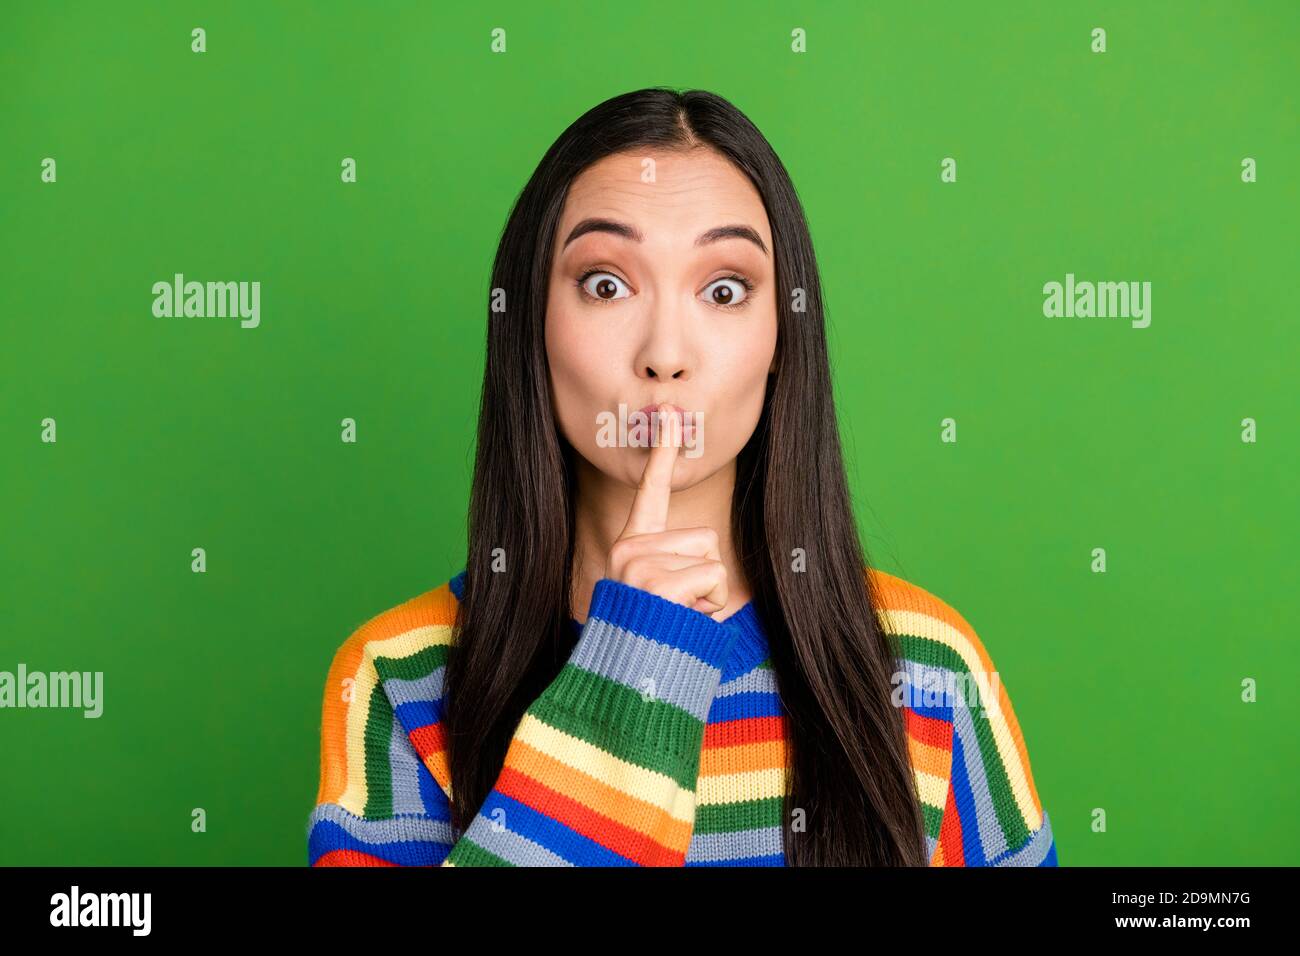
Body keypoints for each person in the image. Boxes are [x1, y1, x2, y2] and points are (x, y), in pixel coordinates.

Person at [307, 87, 1057, 867]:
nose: (665, 352)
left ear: (780, 340)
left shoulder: (929, 671)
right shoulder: (398, 680)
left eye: (724, 290)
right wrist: (632, 664)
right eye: (606, 284)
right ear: (531, 323)